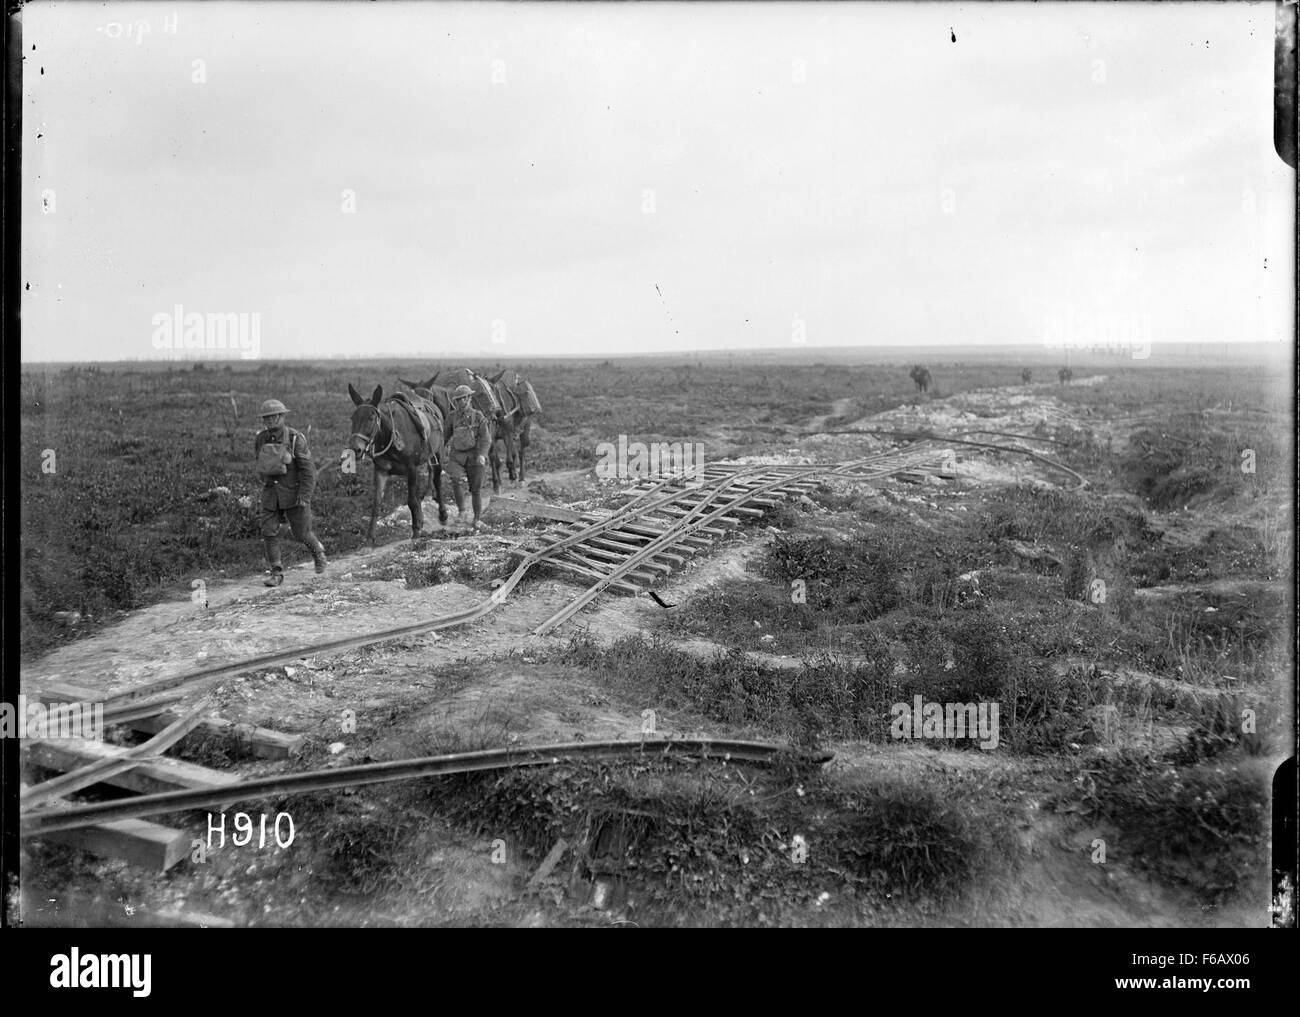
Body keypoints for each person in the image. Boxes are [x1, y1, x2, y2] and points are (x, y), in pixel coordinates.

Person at [255, 399, 327, 586]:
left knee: (302, 533)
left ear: (282, 416)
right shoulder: (260, 439)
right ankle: (276, 573)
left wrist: (304, 496)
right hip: (271, 494)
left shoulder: (296, 439)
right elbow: (260, 464)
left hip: (294, 494)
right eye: (266, 418)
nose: (269, 421)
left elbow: (308, 471)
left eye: (273, 416)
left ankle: (317, 553)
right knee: (269, 532)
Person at [445, 384, 492, 529]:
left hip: (475, 455)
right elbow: (444, 437)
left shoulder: (478, 416)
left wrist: (483, 455)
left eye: (463, 399)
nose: (461, 402)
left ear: (469, 398)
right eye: (458, 400)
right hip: (457, 455)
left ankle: (477, 518)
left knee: (475, 489)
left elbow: (486, 439)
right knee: (456, 479)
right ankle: (462, 512)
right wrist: (439, 453)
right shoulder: (452, 417)